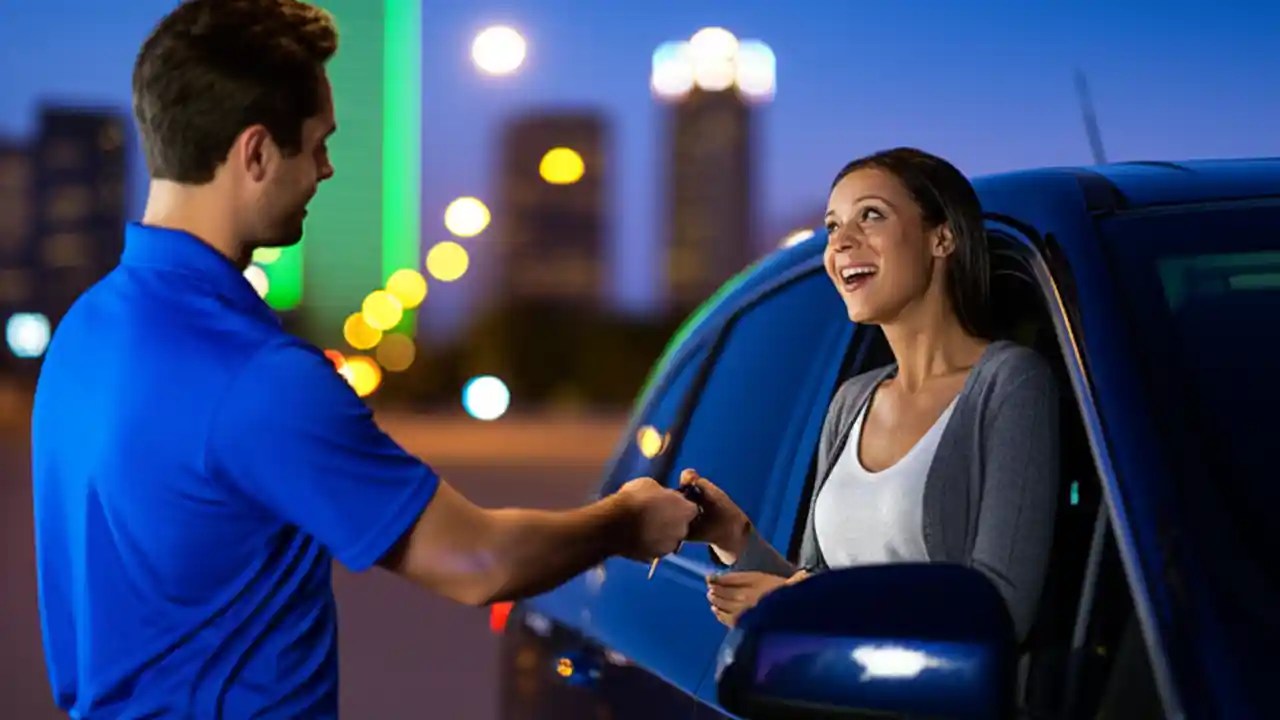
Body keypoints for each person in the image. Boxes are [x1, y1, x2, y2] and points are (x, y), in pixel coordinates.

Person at [29, 2, 698, 717]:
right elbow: (478, 561)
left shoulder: (84, 332)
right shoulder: (259, 375)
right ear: (256, 153)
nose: (326, 169)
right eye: (317, 144)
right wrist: (625, 520)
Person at [683, 147, 1060, 643]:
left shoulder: (1009, 383)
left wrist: (798, 602)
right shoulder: (852, 401)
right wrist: (734, 536)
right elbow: (814, 585)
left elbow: (1001, 611)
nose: (841, 242)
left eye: (871, 215)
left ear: (942, 237)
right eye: (832, 225)